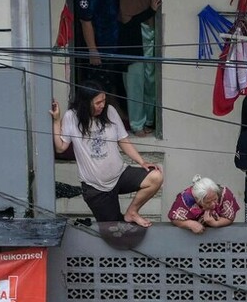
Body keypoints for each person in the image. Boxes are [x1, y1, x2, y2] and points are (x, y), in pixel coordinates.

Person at [51, 80, 164, 226]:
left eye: (104, 100)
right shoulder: (71, 116)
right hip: (96, 187)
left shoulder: (110, 111)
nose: (102, 105)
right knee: (114, 230)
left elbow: (123, 140)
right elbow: (60, 148)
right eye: (98, 103)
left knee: (156, 177)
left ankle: (132, 212)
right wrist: (56, 121)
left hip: (120, 175)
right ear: (85, 103)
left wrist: (142, 162)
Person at [119, 0, 160, 136]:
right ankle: (137, 125)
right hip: (134, 46)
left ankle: (149, 120)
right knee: (135, 85)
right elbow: (128, 21)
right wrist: (150, 11)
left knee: (151, 82)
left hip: (150, 43)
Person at [75, 0, 121, 88]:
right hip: (100, 47)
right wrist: (93, 50)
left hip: (115, 43)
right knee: (100, 88)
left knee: (113, 85)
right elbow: (85, 20)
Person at [168, 175, 239, 233]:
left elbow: (229, 217)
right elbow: (174, 218)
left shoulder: (224, 194)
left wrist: (216, 223)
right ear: (197, 200)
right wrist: (190, 224)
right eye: (207, 202)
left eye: (215, 199)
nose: (213, 204)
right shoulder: (185, 199)